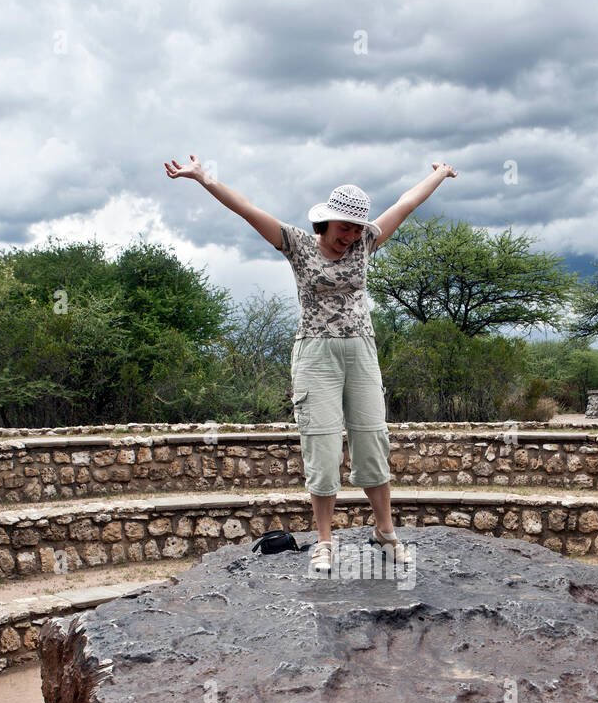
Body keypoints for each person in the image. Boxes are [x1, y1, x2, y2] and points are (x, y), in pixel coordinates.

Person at [164, 154, 458, 571]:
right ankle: (324, 540)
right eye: (345, 228)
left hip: (360, 350)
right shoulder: (297, 244)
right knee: (320, 446)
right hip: (315, 354)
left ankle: (385, 531)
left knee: (372, 440)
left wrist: (439, 176)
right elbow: (245, 209)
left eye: (357, 228)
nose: (351, 236)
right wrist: (202, 178)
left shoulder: (367, 242)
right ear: (327, 222)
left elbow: (406, 204)